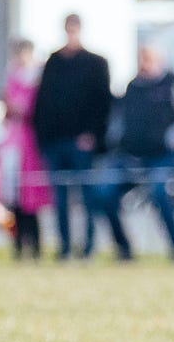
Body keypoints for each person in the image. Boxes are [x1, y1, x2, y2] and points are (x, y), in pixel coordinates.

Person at [96, 42, 174, 261]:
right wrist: (118, 141)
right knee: (103, 192)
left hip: (164, 157)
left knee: (160, 191)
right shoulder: (132, 87)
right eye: (141, 58)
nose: (144, 64)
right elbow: (119, 122)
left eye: (148, 58)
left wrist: (169, 140)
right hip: (130, 157)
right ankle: (124, 249)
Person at [31, 13, 115, 260]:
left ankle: (87, 247)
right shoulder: (54, 62)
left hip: (82, 143)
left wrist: (91, 135)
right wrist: (43, 139)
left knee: (87, 197)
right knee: (60, 199)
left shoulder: (95, 63)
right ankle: (64, 247)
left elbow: (102, 104)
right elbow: (44, 103)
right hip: (55, 142)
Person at [0, 39, 50, 261]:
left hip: (30, 144)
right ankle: (18, 245)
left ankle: (35, 247)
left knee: (30, 198)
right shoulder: (12, 78)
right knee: (14, 199)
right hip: (13, 143)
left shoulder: (36, 79)